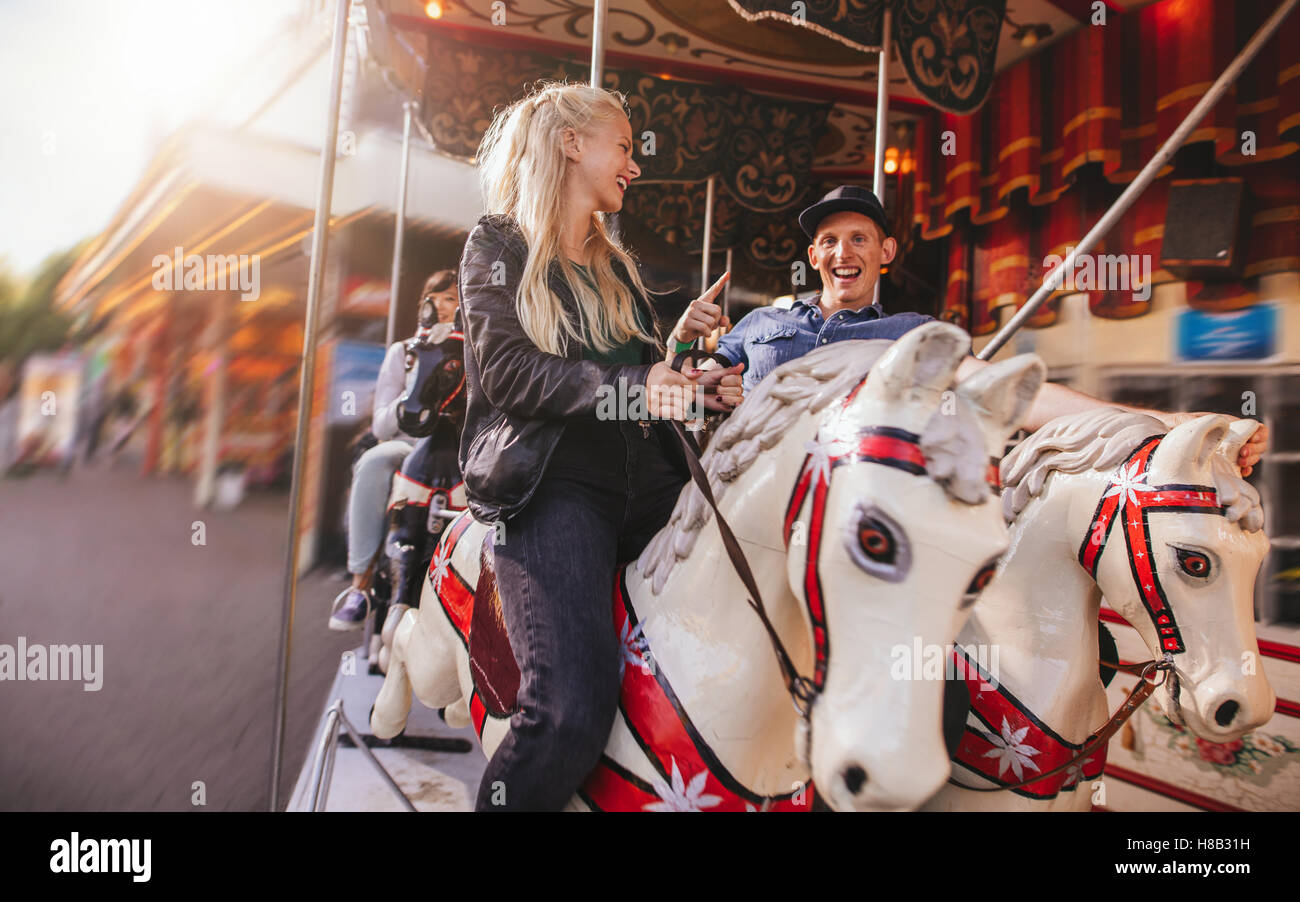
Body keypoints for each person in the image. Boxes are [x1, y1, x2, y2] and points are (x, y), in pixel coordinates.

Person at [458, 82, 743, 810]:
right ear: (572, 143)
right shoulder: (498, 243)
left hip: (644, 483)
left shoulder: (616, 267)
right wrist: (637, 388)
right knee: (566, 714)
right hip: (557, 488)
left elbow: (644, 381)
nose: (634, 165)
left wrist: (694, 387)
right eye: (624, 145)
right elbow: (509, 374)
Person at [674, 185, 1268, 474]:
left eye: (859, 238)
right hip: (742, 494)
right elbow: (690, 388)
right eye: (828, 241)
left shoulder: (913, 334)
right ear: (813, 254)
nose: (842, 251)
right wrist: (692, 359)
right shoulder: (762, 322)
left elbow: (1015, 390)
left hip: (843, 504)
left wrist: (1171, 424)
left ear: (886, 251)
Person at [329, 269, 461, 631]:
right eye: (432, 299)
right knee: (374, 460)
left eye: (450, 298)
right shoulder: (403, 353)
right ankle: (361, 585)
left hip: (457, 451)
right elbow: (381, 425)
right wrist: (416, 393)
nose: (441, 306)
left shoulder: (472, 352)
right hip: (411, 449)